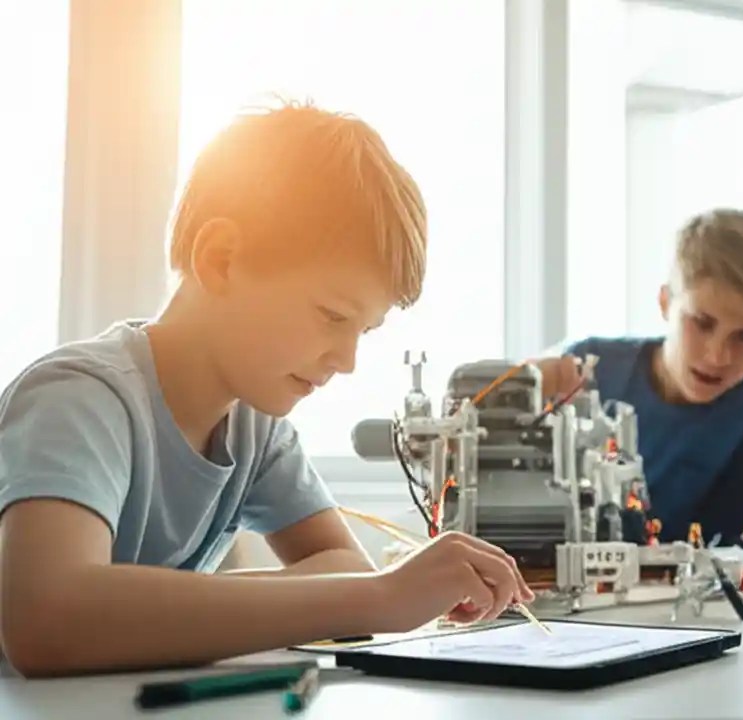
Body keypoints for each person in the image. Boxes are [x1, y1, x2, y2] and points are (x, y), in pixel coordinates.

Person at [0, 103, 532, 677]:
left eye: (364, 331)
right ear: (221, 260)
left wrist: (143, 606)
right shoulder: (78, 399)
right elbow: (47, 623)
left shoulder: (255, 426)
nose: (347, 361)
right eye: (331, 315)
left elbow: (342, 563)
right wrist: (380, 597)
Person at [540, 209, 743, 545]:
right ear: (665, 303)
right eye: (702, 323)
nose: (717, 356)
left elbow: (715, 547)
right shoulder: (588, 368)